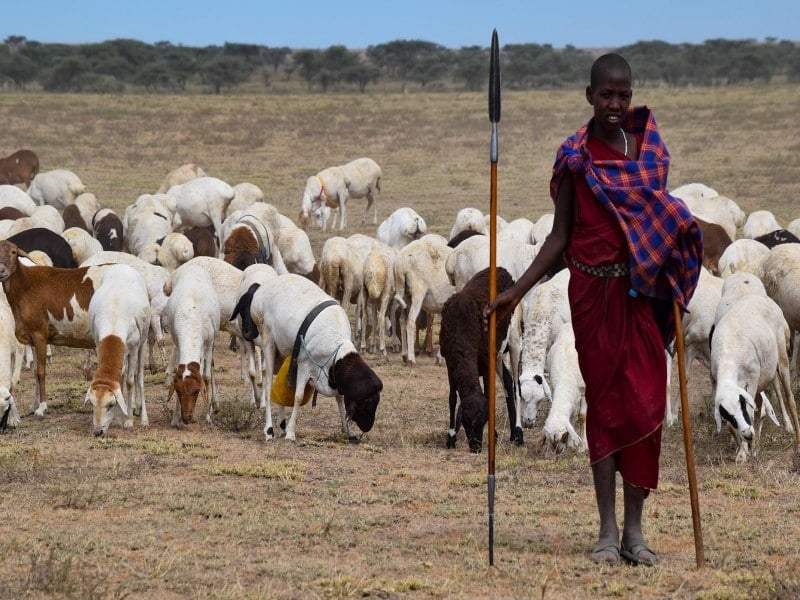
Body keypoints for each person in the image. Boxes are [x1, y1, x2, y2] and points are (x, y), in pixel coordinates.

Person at [485, 53, 702, 567]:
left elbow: (655, 219)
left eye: (624, 95)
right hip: (591, 297)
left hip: (641, 297)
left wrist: (674, 255)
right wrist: (516, 292)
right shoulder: (576, 159)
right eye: (606, 94)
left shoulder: (648, 152)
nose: (615, 104)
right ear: (590, 96)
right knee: (604, 407)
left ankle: (635, 530)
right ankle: (607, 530)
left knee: (646, 406)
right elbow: (560, 237)